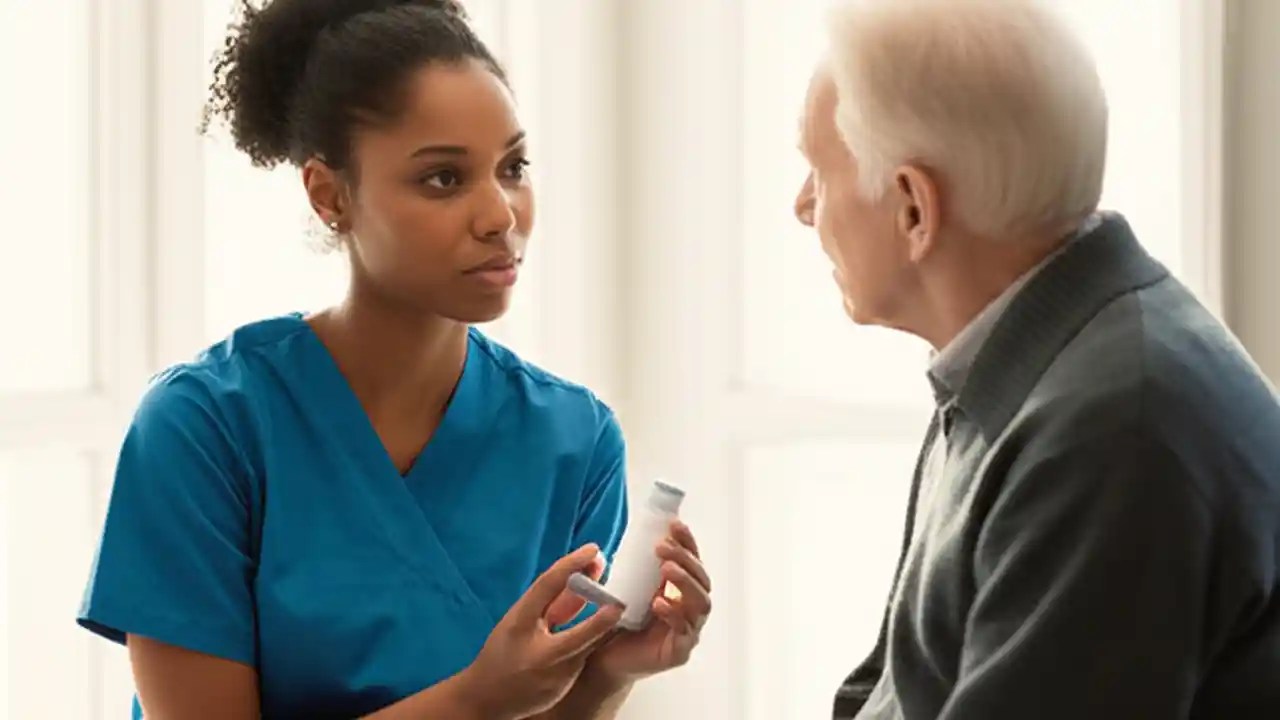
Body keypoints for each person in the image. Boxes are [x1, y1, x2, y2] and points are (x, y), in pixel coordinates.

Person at [77, 1, 712, 718]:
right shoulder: (203, 427)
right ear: (330, 195)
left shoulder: (576, 440)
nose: (500, 214)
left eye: (513, 167)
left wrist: (610, 673)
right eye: (443, 178)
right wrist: (474, 700)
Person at [792, 1, 1280, 718]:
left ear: (914, 209)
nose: (803, 207)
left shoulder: (1114, 434)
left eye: (818, 173)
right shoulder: (1026, 359)